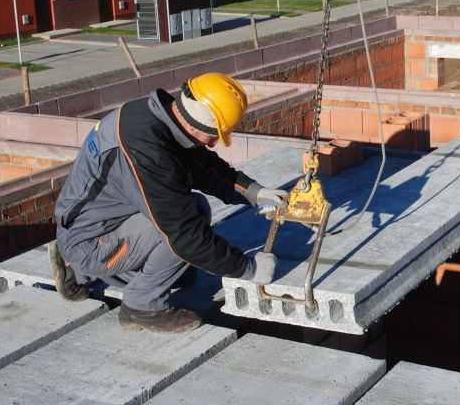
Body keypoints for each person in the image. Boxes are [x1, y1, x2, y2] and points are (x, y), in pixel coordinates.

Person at [50, 73, 288, 333]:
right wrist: (248, 268)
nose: (215, 142)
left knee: (187, 248)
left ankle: (77, 272)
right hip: (90, 242)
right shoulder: (149, 153)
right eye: (215, 135)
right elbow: (185, 236)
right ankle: (141, 306)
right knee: (182, 232)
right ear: (197, 125)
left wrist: (253, 192)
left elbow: (201, 166)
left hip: (91, 227)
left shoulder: (155, 118)